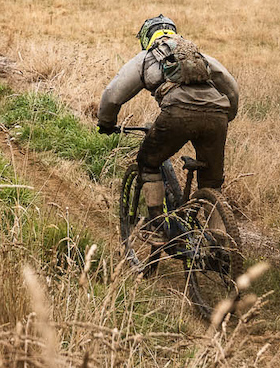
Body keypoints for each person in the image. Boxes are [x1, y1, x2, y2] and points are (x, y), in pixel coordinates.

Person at [96, 15, 239, 233]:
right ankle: (220, 247)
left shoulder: (146, 56)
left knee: (148, 162)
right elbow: (231, 87)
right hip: (217, 115)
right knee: (211, 184)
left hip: (177, 113)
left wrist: (106, 122)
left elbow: (113, 96)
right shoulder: (197, 54)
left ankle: (158, 227)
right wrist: (226, 116)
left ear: (146, 36)